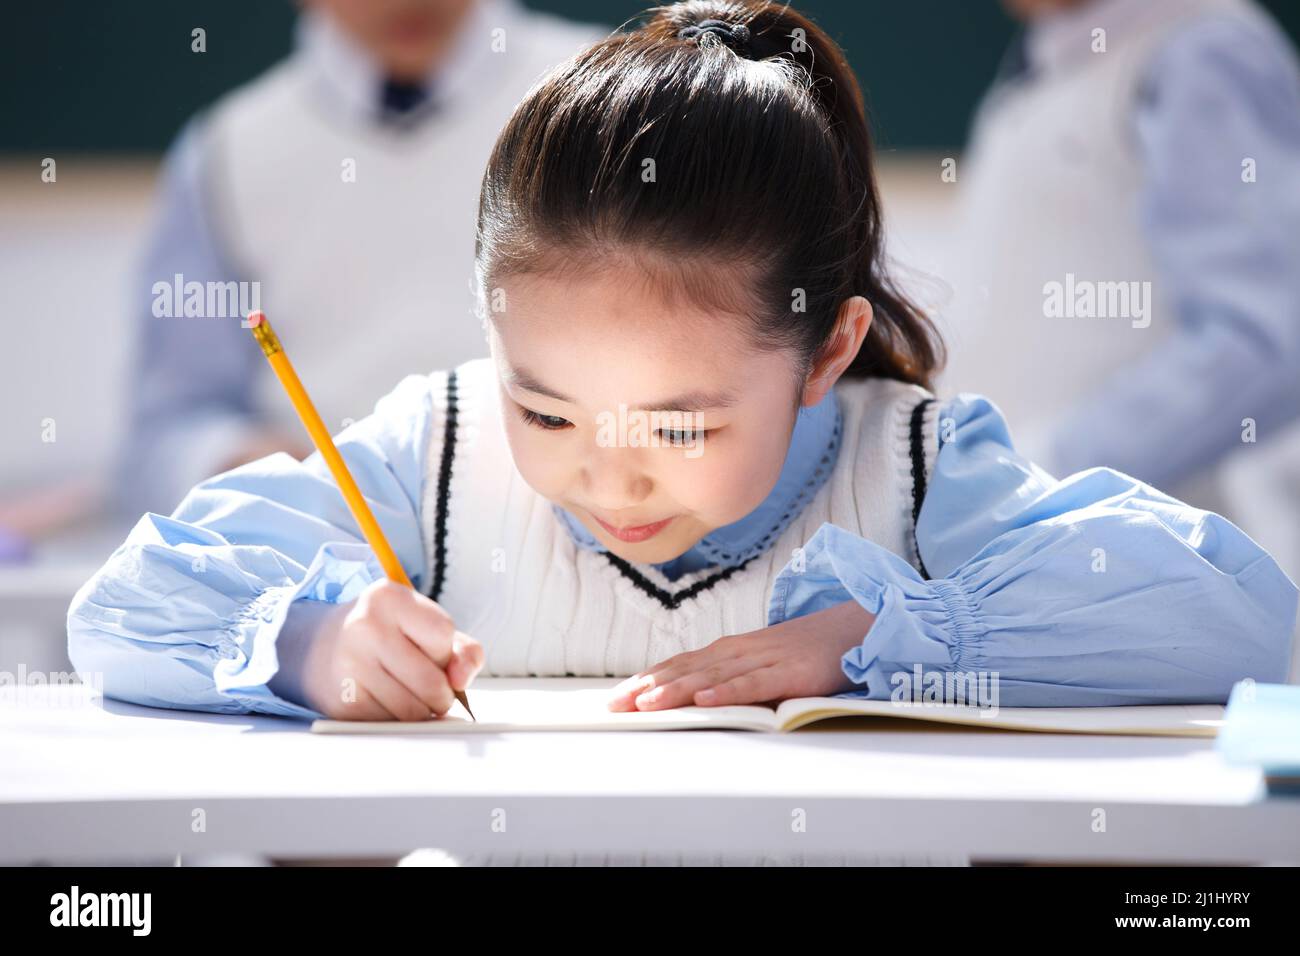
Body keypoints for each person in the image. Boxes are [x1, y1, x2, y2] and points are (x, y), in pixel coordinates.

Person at [68, 0, 1297, 723]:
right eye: (544, 409)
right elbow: (121, 607)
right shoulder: (430, 450)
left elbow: (1243, 615)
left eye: (679, 427)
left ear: (828, 353)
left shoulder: (914, 467)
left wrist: (894, 634)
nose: (609, 483)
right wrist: (311, 641)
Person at [117, 0, 604, 518]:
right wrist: (239, 458)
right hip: (329, 544)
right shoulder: (224, 152)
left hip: (575, 523)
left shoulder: (614, 92)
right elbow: (164, 436)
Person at [937, 0, 1300, 675]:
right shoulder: (1054, 54)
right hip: (1054, 573)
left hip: (1169, 581)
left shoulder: (1202, 50)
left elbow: (1264, 339)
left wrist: (1048, 468)